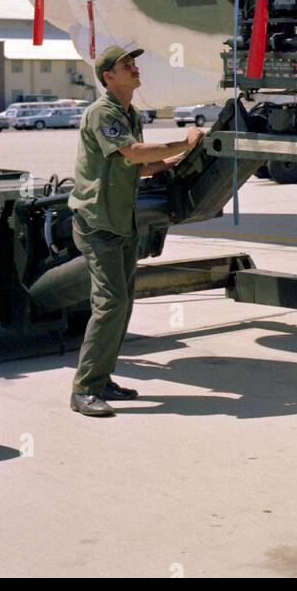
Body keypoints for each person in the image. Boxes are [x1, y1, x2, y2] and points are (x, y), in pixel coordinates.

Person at [67, 45, 204, 417]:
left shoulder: (129, 114)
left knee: (122, 304)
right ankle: (85, 389)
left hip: (120, 221)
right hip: (99, 223)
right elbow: (133, 153)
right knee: (110, 303)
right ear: (109, 76)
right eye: (127, 64)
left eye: (134, 63)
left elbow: (137, 166)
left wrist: (176, 160)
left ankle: (102, 378)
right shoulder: (103, 113)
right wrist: (182, 142)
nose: (134, 67)